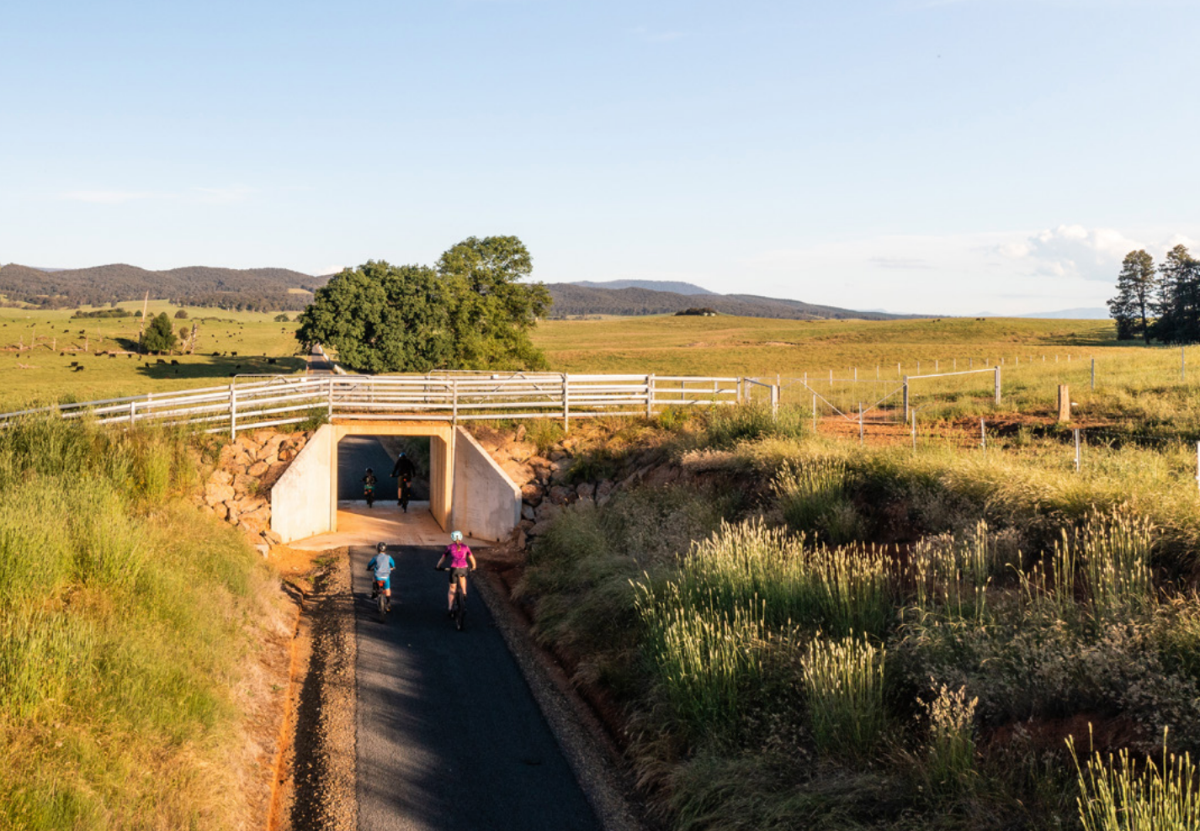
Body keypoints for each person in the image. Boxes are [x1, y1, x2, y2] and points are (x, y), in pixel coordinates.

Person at [435, 531, 476, 616]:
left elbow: (443, 558)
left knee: (452, 589)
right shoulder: (466, 547)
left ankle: (450, 608)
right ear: (461, 538)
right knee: (463, 578)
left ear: (452, 538)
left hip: (454, 568)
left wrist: (438, 566)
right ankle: (464, 593)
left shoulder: (449, 547)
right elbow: (472, 558)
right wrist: (474, 567)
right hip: (463, 568)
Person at [367, 542, 396, 611]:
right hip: (386, 577)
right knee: (387, 589)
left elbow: (370, 564)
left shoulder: (376, 557)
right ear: (385, 549)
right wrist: (393, 567)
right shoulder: (388, 557)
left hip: (378, 576)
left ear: (377, 549)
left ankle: (374, 591)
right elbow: (393, 564)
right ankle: (388, 603)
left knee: (374, 578)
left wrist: (368, 568)